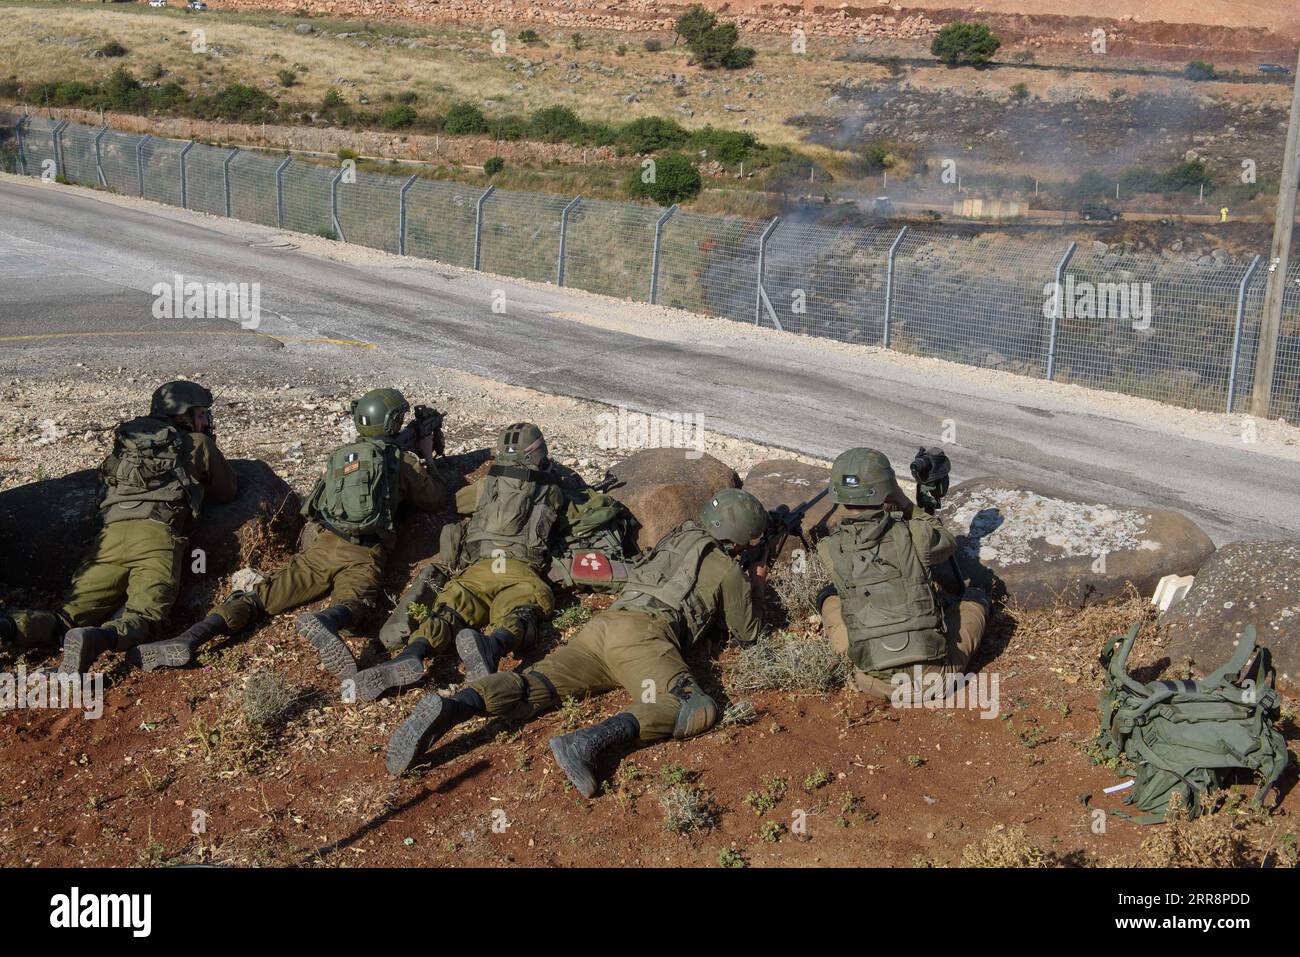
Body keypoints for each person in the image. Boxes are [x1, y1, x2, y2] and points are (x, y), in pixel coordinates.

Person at [384, 488, 769, 796]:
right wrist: (756, 585)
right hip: (644, 640)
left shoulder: (680, 534)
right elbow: (749, 636)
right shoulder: (727, 569)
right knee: (692, 705)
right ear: (737, 540)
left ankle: (453, 708)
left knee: (534, 687)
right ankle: (589, 742)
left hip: (601, 629)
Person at [132, 388, 447, 675]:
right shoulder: (400, 461)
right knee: (357, 603)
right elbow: (435, 498)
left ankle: (191, 637)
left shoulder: (343, 456)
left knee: (260, 596)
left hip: (321, 545)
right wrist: (428, 456)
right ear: (392, 423)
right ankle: (325, 621)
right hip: (363, 552)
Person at [0, 380, 236, 673]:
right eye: (201, 414)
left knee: (67, 616)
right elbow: (227, 492)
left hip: (109, 538)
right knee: (146, 617)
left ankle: (10, 627)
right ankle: (96, 638)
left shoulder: (127, 444)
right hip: (156, 537)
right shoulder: (198, 444)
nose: (205, 421)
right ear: (182, 416)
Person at [350, 422, 580, 702]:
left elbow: (460, 502)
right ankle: (493, 645)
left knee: (448, 611)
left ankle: (414, 652)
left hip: (478, 570)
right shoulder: (556, 490)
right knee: (520, 611)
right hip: (521, 572)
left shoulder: (489, 483)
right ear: (539, 454)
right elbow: (581, 520)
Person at [814, 447, 988, 702]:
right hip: (934, 680)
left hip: (875, 683)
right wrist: (906, 504)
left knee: (831, 599)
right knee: (975, 600)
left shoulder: (831, 548)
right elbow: (948, 542)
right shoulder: (915, 534)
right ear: (887, 487)